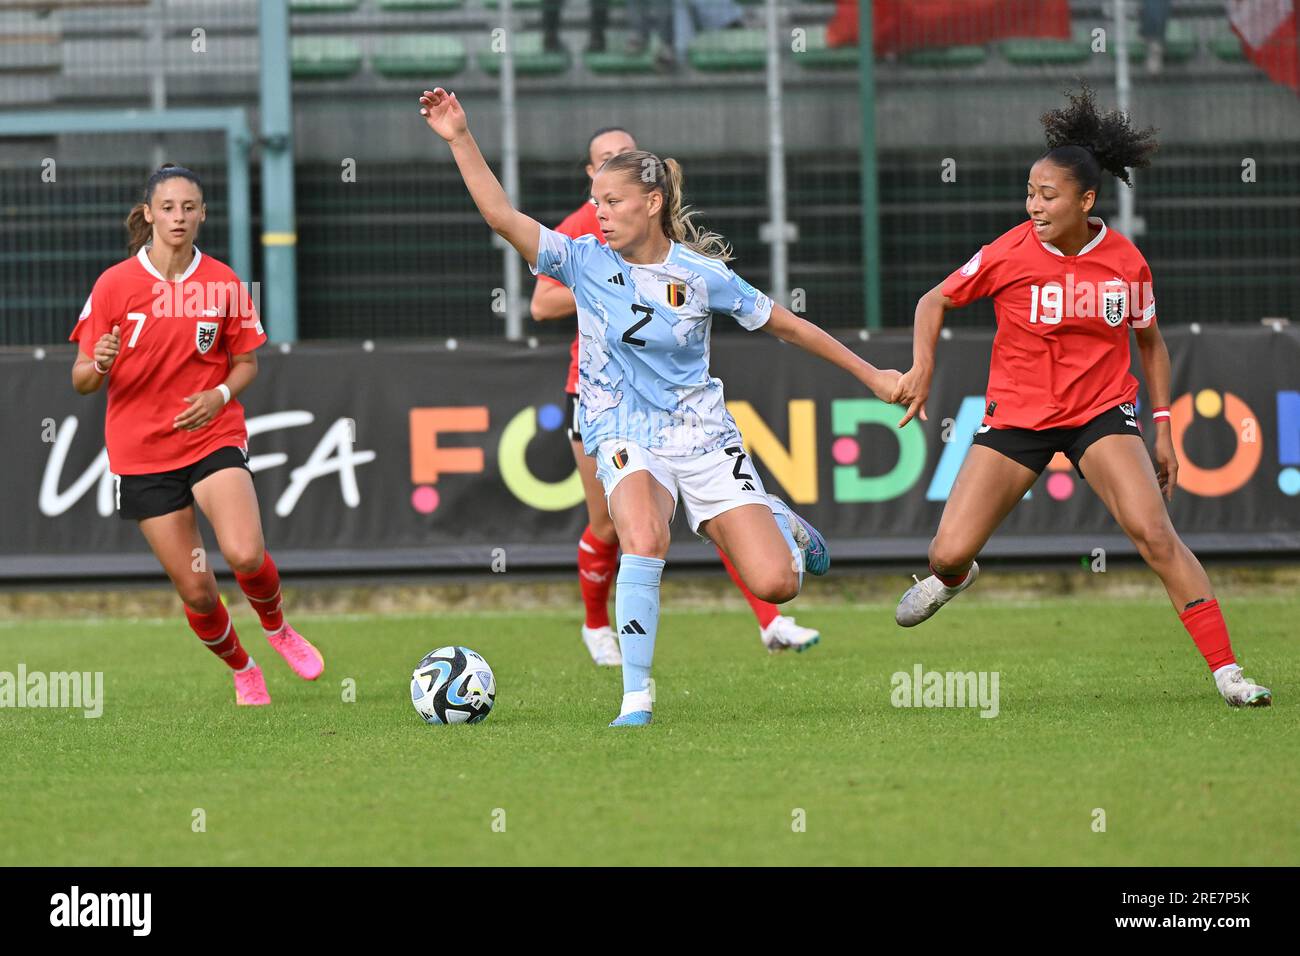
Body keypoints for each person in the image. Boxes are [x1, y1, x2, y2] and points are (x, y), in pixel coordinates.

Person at [419, 87, 900, 726]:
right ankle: (636, 698)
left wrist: (873, 376)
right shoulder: (583, 260)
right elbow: (503, 216)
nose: (601, 214)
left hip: (701, 436)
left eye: (612, 203)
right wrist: (459, 138)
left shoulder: (703, 275)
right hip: (620, 428)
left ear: (652, 203)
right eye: (596, 203)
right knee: (641, 536)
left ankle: (782, 522)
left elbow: (790, 327)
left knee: (777, 584)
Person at [889, 87, 1271, 708]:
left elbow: (1150, 343)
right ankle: (954, 578)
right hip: (1016, 417)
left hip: (1100, 415)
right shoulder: (1008, 252)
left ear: (1086, 199)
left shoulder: (1126, 262)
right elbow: (933, 300)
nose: (1033, 206)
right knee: (947, 551)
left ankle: (1229, 672)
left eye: (1048, 195)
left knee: (1155, 534)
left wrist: (1165, 427)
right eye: (1031, 193)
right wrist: (923, 367)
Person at [531, 126, 824, 667]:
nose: (604, 194)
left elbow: (777, 321)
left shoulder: (679, 258)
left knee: (720, 516)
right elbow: (540, 306)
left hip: (683, 416)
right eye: (599, 165)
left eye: (616, 166)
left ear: (650, 192)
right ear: (587, 172)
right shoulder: (586, 228)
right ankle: (599, 629)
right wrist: (608, 291)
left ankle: (772, 607)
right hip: (601, 400)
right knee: (614, 527)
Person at [69, 164, 325, 706]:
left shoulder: (224, 282)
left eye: (189, 207)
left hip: (212, 436)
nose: (179, 217)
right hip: (142, 453)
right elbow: (82, 380)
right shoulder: (114, 285)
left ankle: (278, 629)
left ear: (203, 214)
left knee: (245, 553)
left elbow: (247, 363)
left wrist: (220, 396)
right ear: (149, 214)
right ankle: (243, 666)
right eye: (168, 207)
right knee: (197, 588)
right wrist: (101, 361)